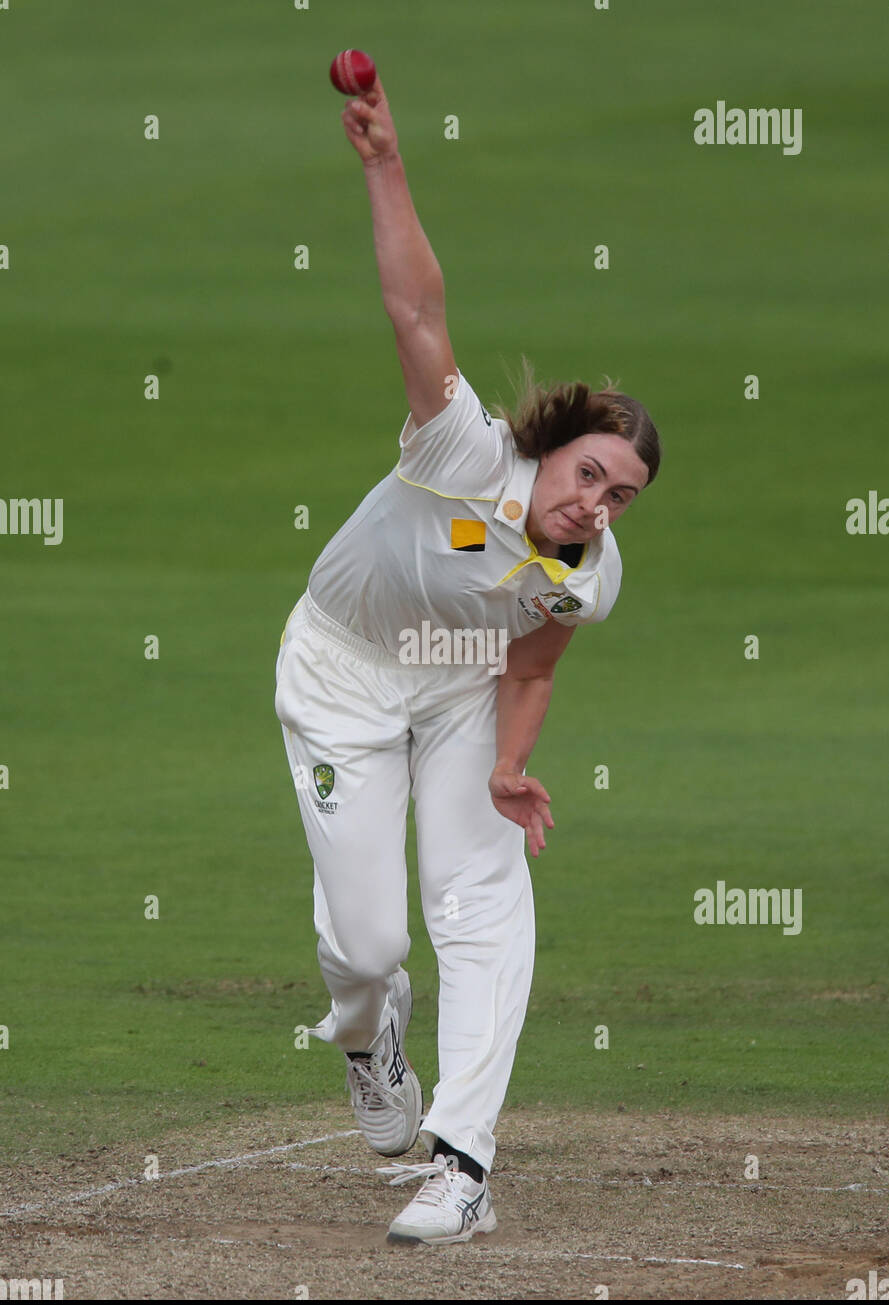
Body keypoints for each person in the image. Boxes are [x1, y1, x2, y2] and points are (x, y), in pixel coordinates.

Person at [274, 75, 661, 1245]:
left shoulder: (587, 578)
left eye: (621, 496)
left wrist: (508, 764)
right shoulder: (458, 448)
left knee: (482, 897)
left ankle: (462, 1164)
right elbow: (415, 313)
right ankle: (365, 1028)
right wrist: (384, 162)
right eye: (589, 473)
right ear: (551, 449)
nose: (596, 504)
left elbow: (532, 667)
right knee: (369, 944)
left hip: (457, 695)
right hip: (338, 672)